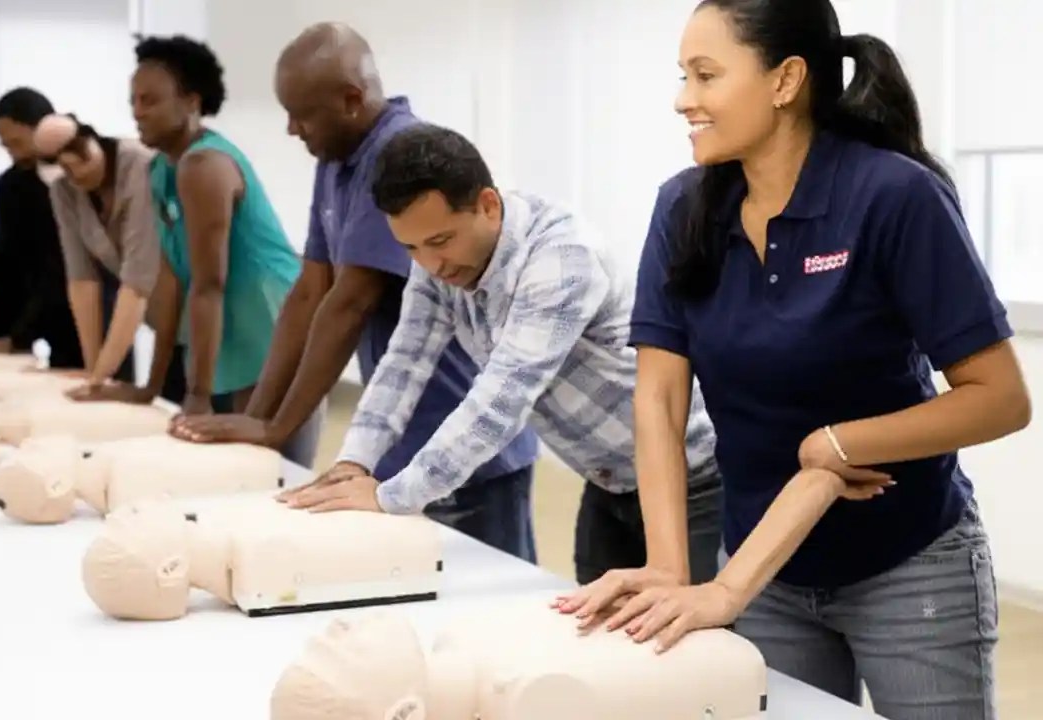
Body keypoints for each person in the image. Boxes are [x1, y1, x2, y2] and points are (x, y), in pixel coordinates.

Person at [555, 1, 1031, 718]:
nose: (684, 99)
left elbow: (1000, 396)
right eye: (683, 76)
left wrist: (837, 445)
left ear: (786, 80)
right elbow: (657, 398)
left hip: (908, 562)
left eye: (706, 75)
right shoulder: (682, 208)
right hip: (763, 570)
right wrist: (668, 564)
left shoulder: (893, 195)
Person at [283, 123, 724, 583]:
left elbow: (499, 403)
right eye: (410, 248)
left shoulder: (560, 259)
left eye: (440, 241)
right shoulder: (437, 268)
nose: (431, 264)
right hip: (607, 482)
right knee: (601, 630)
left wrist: (390, 496)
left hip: (693, 481)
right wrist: (352, 463)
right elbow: (403, 364)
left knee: (701, 641)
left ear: (488, 206)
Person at [178, 23, 541, 562]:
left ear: (350, 100)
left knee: (495, 608)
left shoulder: (398, 155)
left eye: (300, 114)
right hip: (402, 437)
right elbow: (309, 292)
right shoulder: (335, 161)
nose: (290, 129)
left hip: (467, 443)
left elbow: (350, 302)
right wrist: (257, 417)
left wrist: (277, 425)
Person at [130, 35, 321, 464]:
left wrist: (196, 394)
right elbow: (173, 283)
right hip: (231, 331)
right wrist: (154, 384)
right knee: (234, 473)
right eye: (133, 101)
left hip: (271, 328)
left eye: (150, 100)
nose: (137, 112)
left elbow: (208, 285)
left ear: (191, 101)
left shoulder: (205, 166)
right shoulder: (161, 169)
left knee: (273, 474)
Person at [32, 113, 177, 398]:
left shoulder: (139, 164)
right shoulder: (63, 189)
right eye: (66, 172)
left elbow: (138, 276)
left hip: (203, 304)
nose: (76, 178)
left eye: (79, 167)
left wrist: (101, 376)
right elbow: (81, 278)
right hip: (165, 319)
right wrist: (93, 369)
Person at [0, 87, 85, 369]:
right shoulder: (12, 184)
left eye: (16, 143)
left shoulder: (80, 174)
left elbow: (62, 264)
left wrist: (18, 337)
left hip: (94, 306)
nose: (11, 153)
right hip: (51, 316)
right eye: (5, 145)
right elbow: (5, 260)